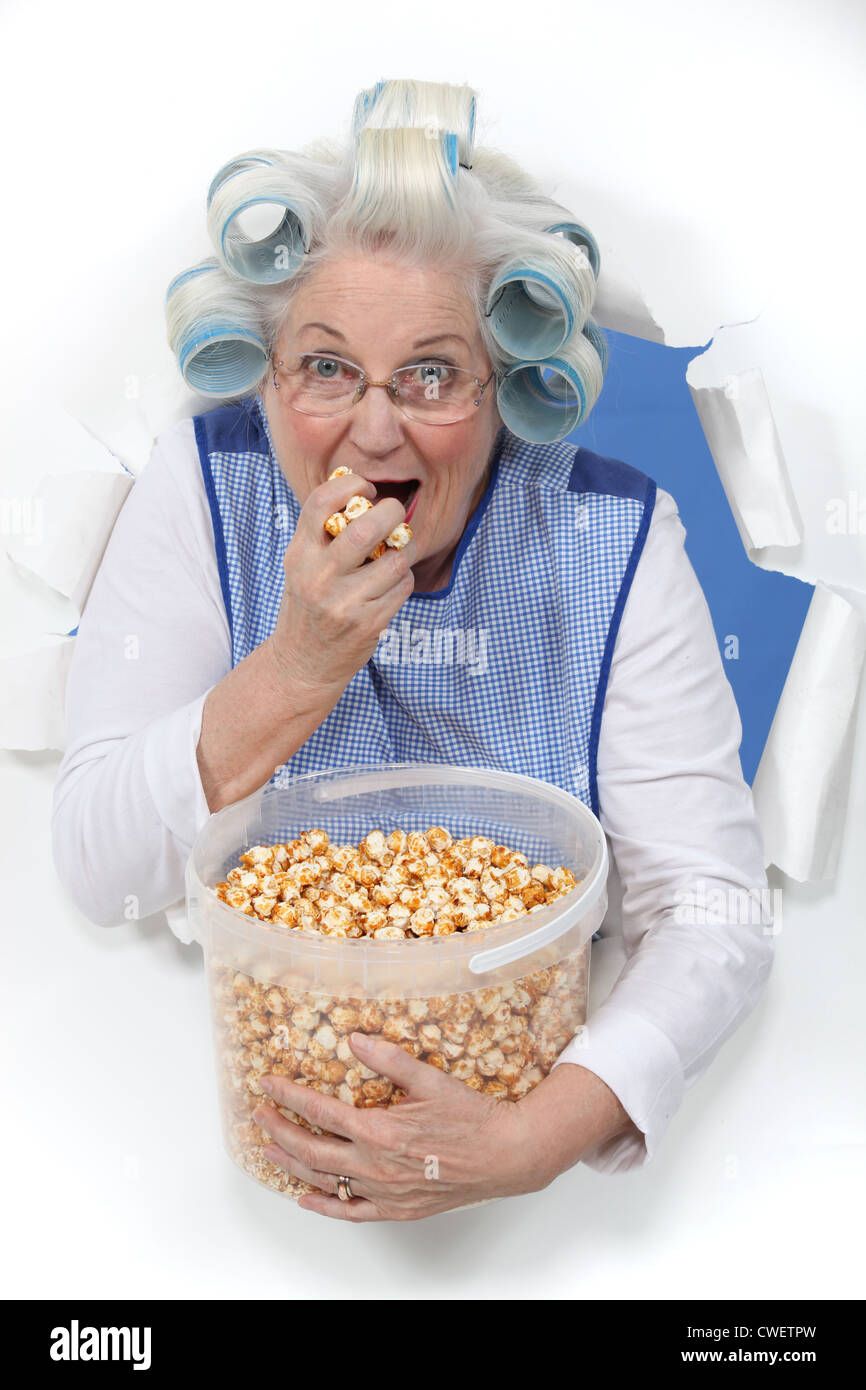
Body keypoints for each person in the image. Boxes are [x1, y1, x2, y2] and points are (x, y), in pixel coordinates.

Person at [51, 78, 773, 1221]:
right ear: (267, 369)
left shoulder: (610, 536)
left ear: (508, 389)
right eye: (326, 368)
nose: (373, 429)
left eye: (430, 374)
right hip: (228, 1185)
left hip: (545, 1214)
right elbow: (98, 865)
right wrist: (295, 668)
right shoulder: (204, 484)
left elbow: (715, 910)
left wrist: (537, 1136)